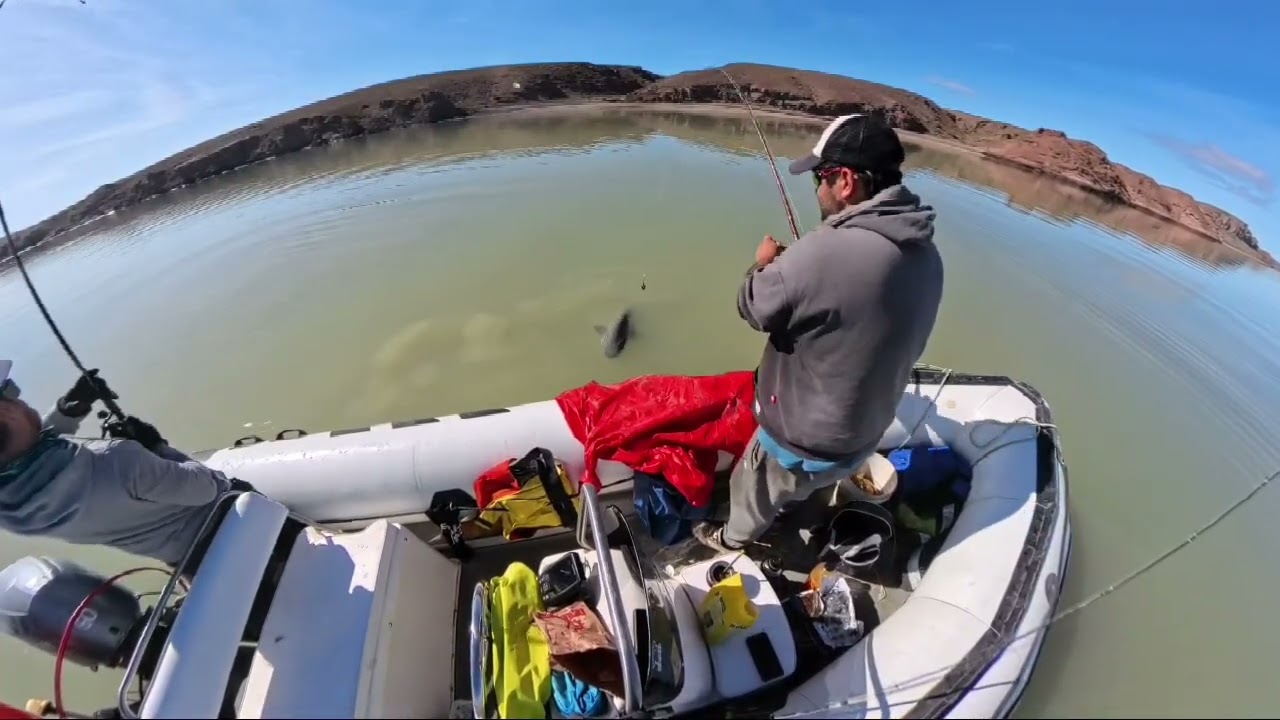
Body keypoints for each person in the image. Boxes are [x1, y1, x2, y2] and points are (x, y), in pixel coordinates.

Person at [694, 113, 945, 553]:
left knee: (752, 488)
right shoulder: (928, 256)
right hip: (864, 435)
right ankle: (797, 509)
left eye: (819, 179)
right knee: (805, 485)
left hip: (801, 440)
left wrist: (766, 263)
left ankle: (732, 540)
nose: (817, 190)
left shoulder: (820, 253)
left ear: (845, 181)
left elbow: (751, 306)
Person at [0, 359, 238, 568]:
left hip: (185, 558)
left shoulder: (8, 510)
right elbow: (207, 488)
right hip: (226, 524)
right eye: (11, 391)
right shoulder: (118, 461)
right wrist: (157, 447)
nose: (19, 397)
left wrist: (68, 410)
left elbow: (26, 454)